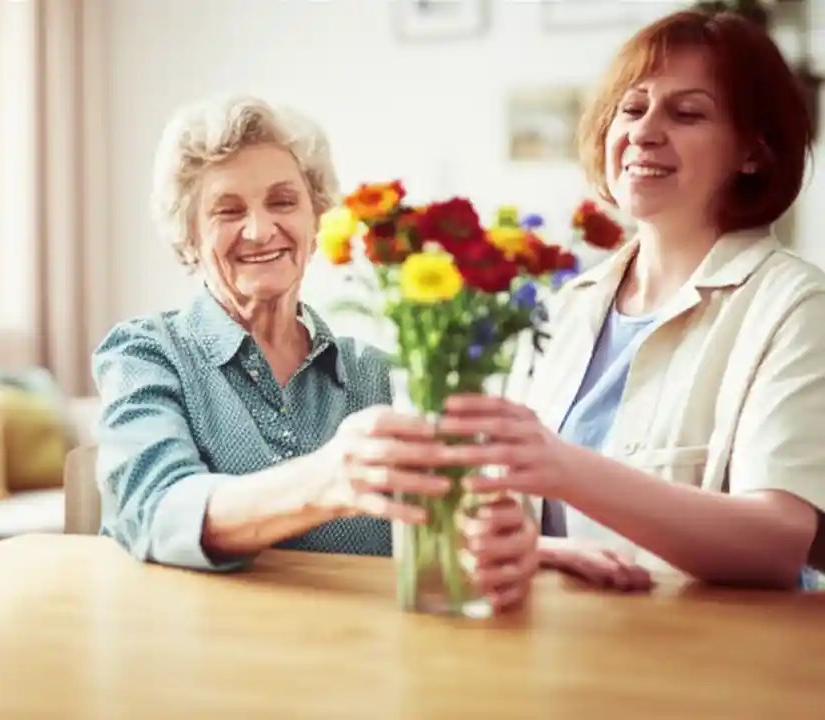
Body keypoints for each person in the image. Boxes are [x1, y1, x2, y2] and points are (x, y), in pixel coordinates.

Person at [89, 94, 542, 611]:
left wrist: (506, 539)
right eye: (228, 210)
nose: (260, 231)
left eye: (283, 202)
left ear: (317, 218)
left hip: (360, 664)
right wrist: (328, 480)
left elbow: (444, 530)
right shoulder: (146, 353)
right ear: (190, 237)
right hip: (201, 665)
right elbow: (155, 509)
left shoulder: (378, 376)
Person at [436, 9, 824, 590]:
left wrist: (567, 468)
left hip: (712, 665)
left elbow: (777, 542)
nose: (644, 132)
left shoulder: (795, 306)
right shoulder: (564, 307)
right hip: (553, 648)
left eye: (687, 112)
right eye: (632, 107)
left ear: (754, 152)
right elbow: (512, 514)